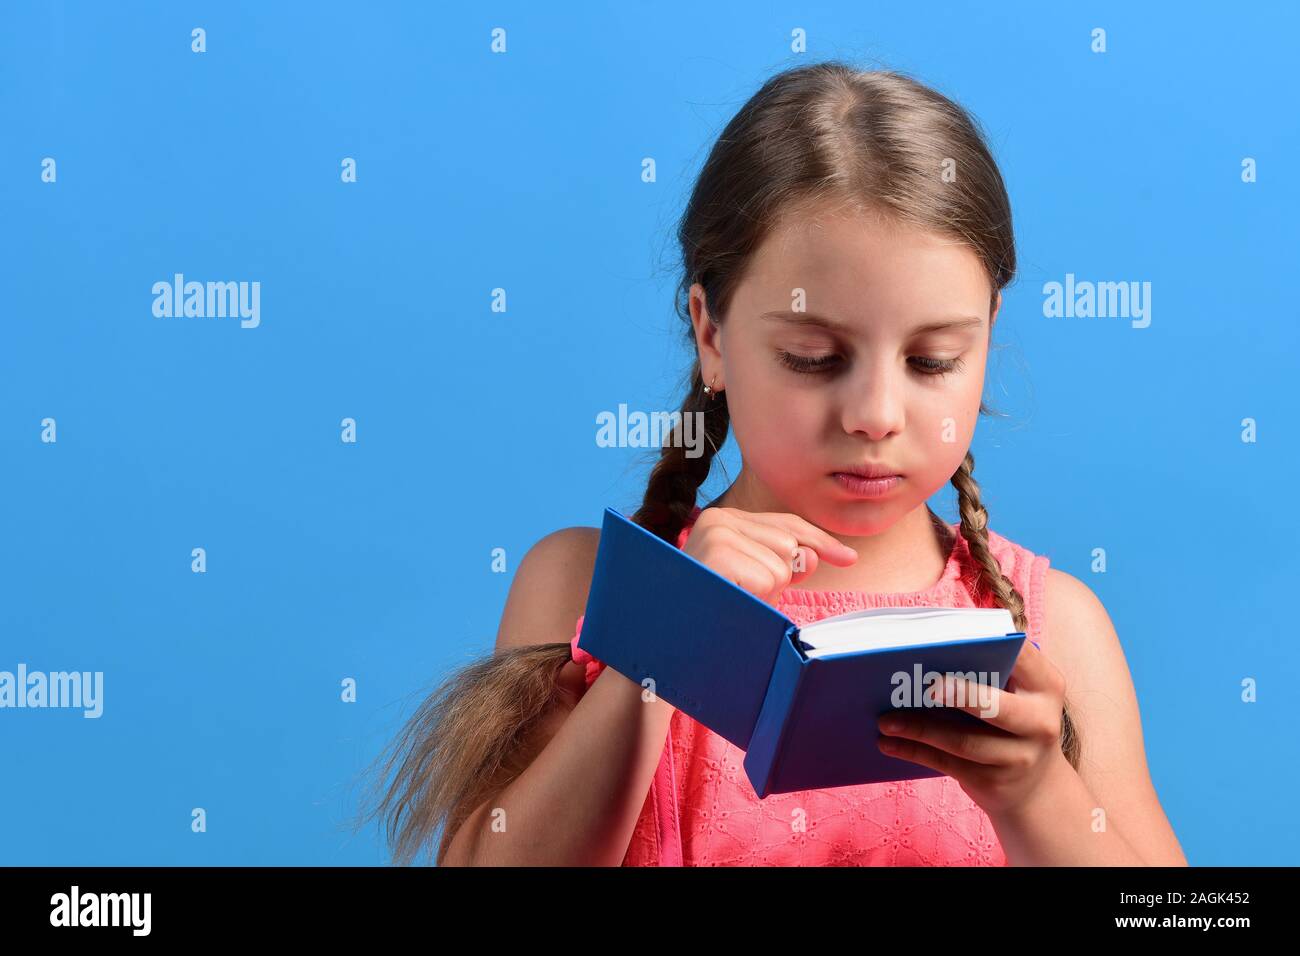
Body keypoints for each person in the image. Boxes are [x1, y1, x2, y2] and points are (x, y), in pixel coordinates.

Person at [356, 61, 1187, 867]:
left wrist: (1039, 791)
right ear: (712, 335)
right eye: (813, 358)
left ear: (989, 334)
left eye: (932, 360)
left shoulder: (1054, 627)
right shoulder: (587, 587)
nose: (875, 416)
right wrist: (664, 644)